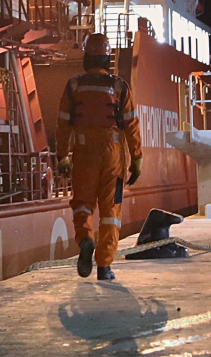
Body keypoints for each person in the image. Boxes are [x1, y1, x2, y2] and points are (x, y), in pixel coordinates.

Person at [56, 33, 143, 280]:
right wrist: (136, 158)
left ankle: (85, 239)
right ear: (107, 58)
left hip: (83, 153)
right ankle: (104, 266)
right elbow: (131, 125)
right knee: (110, 211)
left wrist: (62, 155)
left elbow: (62, 123)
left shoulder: (74, 86)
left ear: (86, 56)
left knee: (82, 203)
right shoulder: (119, 86)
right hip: (112, 157)